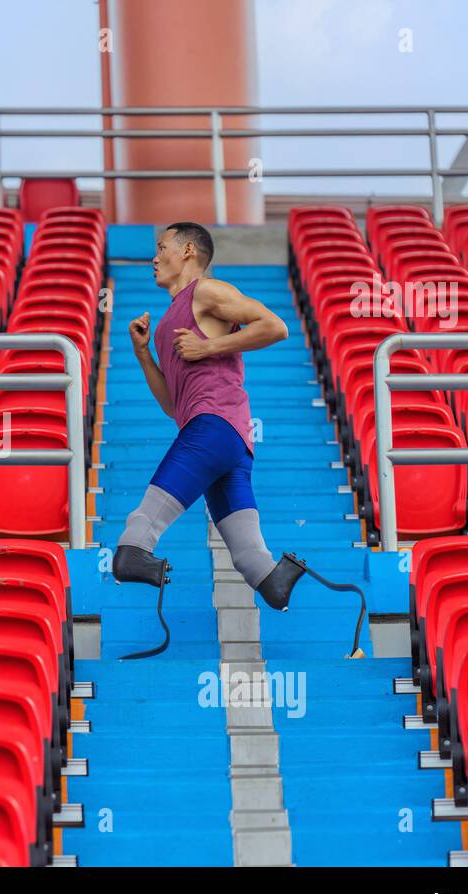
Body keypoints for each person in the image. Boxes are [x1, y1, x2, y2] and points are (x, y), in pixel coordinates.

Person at [113, 221, 307, 609]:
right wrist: (143, 353)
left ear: (187, 251)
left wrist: (209, 347)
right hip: (226, 439)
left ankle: (131, 551)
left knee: (137, 535)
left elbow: (275, 326)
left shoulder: (205, 290)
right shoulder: (172, 316)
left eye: (161, 247)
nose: (154, 258)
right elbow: (172, 404)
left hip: (214, 426)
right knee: (252, 560)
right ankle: (275, 579)